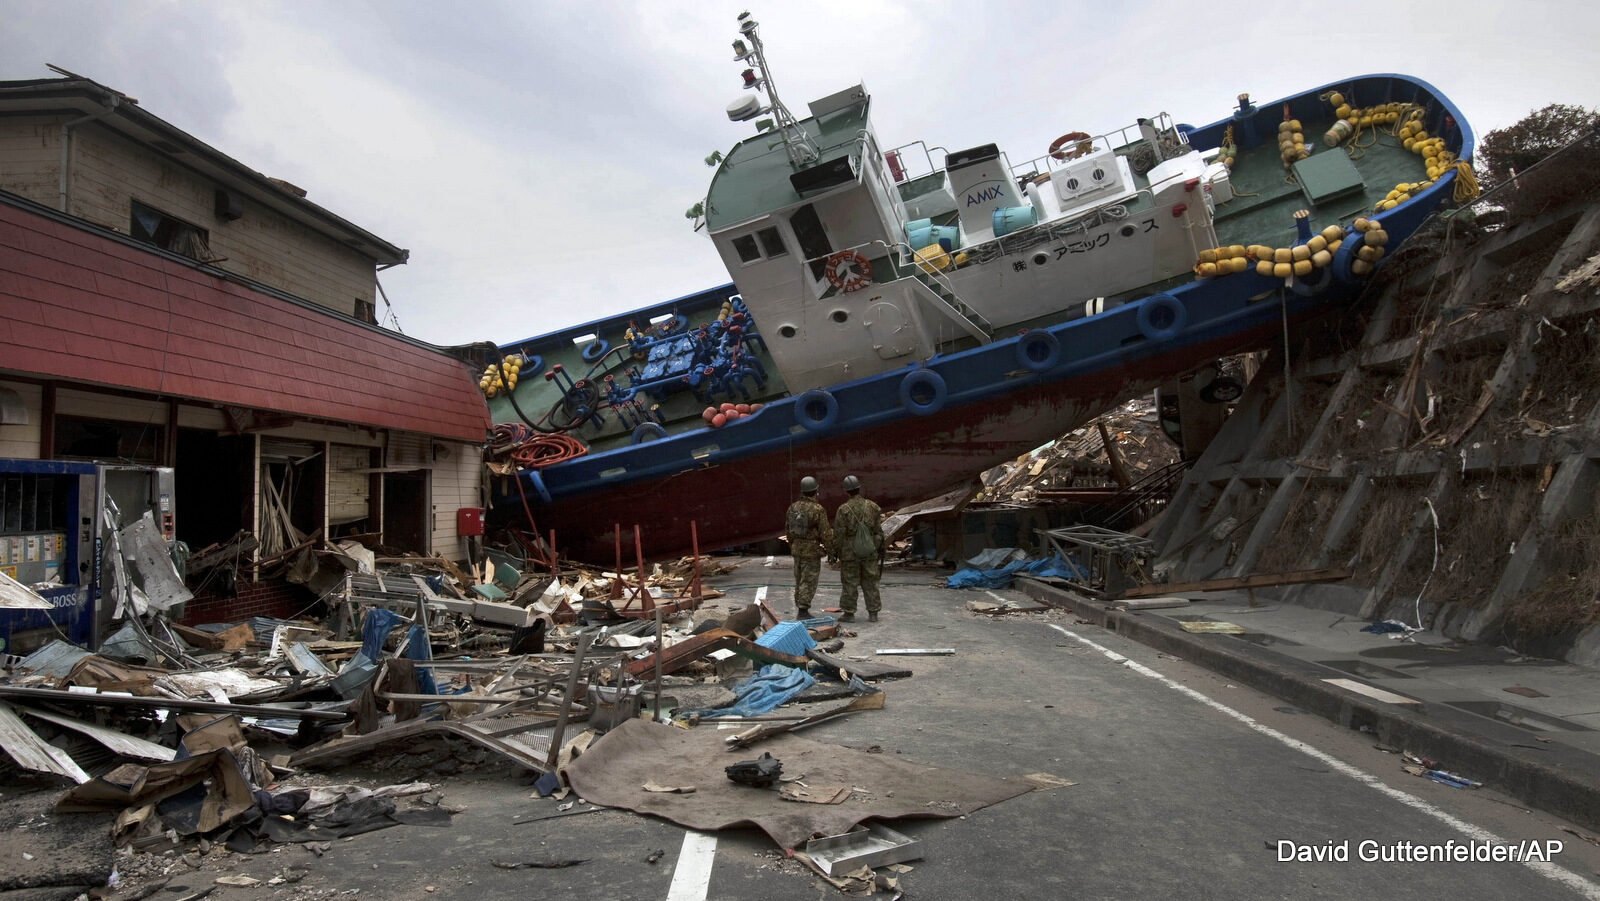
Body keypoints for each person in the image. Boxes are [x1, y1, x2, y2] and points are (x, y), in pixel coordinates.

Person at [830, 474, 884, 622]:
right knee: (871, 581)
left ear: (846, 491)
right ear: (859, 488)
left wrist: (837, 551)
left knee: (849, 582)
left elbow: (839, 534)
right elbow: (879, 531)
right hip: (869, 550)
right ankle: (873, 613)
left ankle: (849, 613)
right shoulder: (873, 506)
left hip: (850, 552)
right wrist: (875, 547)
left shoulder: (843, 509)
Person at [784, 476, 832, 619]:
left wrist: (792, 544)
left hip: (797, 548)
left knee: (799, 579)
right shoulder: (818, 509)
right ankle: (803, 610)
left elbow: (788, 529)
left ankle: (800, 606)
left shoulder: (793, 507)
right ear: (815, 491)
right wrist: (831, 550)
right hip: (811, 550)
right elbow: (825, 532)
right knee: (809, 580)